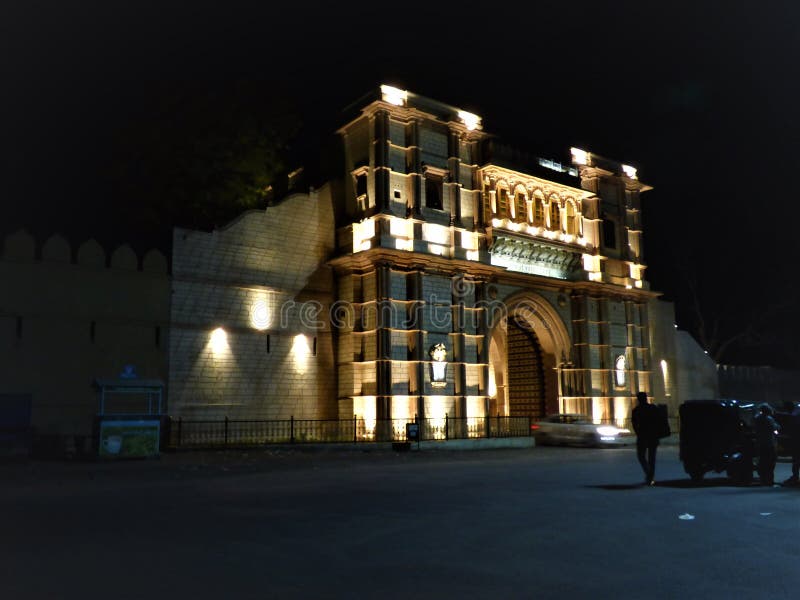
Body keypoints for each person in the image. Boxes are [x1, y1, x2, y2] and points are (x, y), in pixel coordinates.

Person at [632, 391, 660, 486]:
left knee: (641, 456)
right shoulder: (653, 408)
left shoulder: (637, 410)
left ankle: (649, 475)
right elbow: (659, 421)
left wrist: (638, 432)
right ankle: (650, 476)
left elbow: (634, 424)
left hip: (643, 436)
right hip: (653, 436)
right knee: (652, 458)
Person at [753, 403, 780, 486]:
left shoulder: (757, 418)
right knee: (770, 462)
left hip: (760, 443)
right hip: (769, 443)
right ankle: (769, 480)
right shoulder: (769, 419)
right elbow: (776, 427)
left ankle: (763, 479)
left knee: (762, 461)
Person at [781, 401, 800, 486]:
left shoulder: (795, 414)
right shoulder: (795, 413)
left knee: (796, 459)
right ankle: (795, 477)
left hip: (797, 440)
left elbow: (794, 426)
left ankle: (795, 477)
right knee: (796, 459)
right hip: (796, 440)